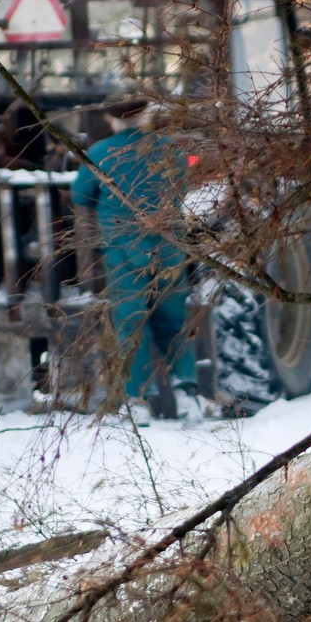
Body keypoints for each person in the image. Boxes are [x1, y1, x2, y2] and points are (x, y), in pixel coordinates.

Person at [70, 98, 197, 419]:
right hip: (168, 248)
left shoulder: (100, 153)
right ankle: (188, 396)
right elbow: (183, 186)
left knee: (130, 322)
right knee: (174, 321)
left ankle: (137, 402)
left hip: (122, 250)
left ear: (112, 121)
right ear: (144, 119)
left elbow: (80, 196)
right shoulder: (169, 150)